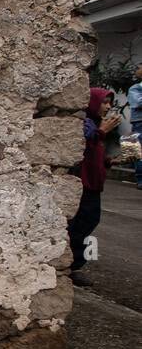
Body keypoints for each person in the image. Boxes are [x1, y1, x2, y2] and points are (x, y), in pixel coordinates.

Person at [68, 87, 119, 286]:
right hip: (83, 184)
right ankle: (70, 265)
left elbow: (94, 156)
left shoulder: (96, 126)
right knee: (79, 225)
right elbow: (80, 147)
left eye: (109, 103)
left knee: (89, 222)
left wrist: (108, 162)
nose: (107, 107)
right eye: (104, 102)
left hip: (94, 185)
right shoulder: (86, 125)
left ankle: (72, 264)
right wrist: (102, 132)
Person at [128, 64, 142, 189]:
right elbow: (137, 102)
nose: (136, 70)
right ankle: (140, 179)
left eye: (138, 67)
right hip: (139, 122)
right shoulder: (135, 88)